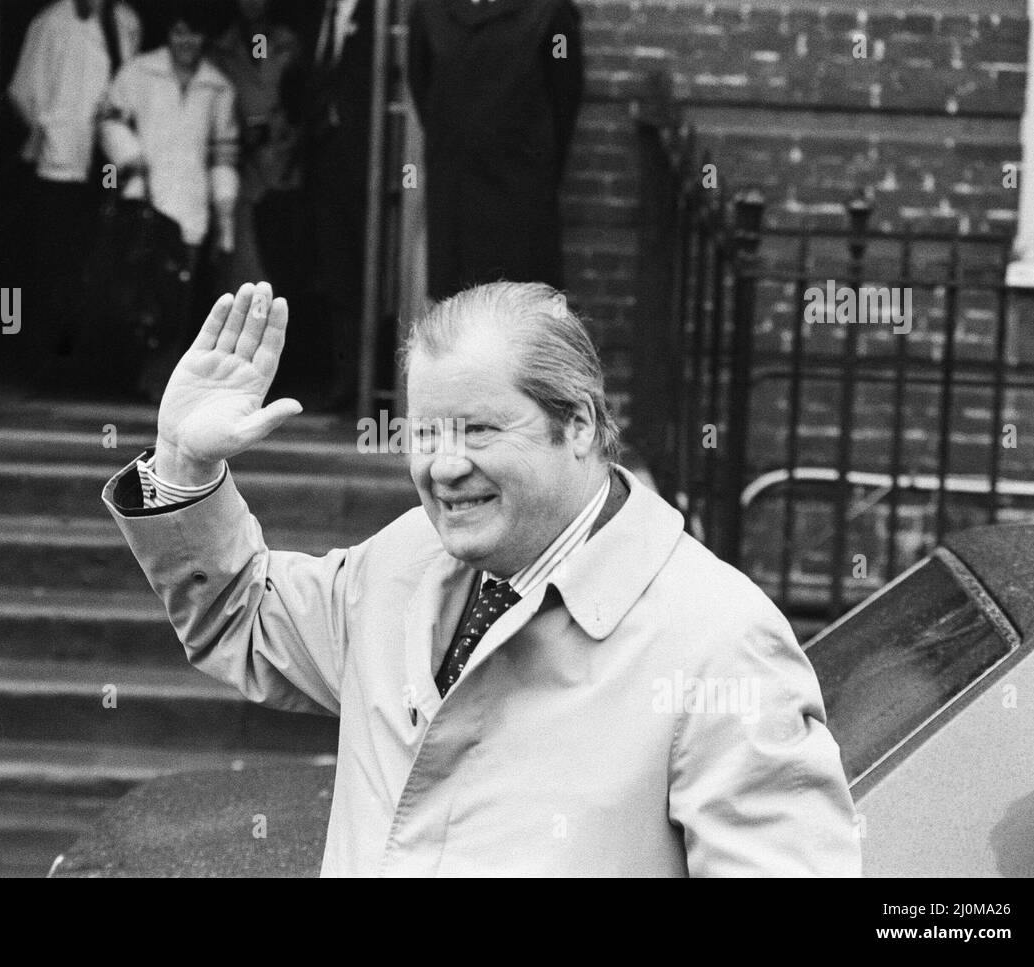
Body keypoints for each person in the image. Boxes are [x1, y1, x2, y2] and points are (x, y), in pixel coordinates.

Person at [101, 279, 862, 877]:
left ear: (582, 426)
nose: (443, 464)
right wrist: (184, 460)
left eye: (480, 429)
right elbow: (242, 615)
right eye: (425, 431)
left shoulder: (721, 641)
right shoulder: (404, 560)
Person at [99, 0, 239, 401]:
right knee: (136, 297)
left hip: (190, 213)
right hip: (142, 207)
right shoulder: (138, 72)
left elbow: (222, 156)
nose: (186, 42)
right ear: (168, 34)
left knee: (177, 306)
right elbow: (109, 120)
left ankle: (163, 387)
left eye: (194, 33)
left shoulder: (218, 86)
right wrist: (129, 157)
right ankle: (132, 381)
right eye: (179, 32)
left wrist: (225, 220)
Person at [408, 0, 583, 300]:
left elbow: (564, 91)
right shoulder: (428, 11)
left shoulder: (552, 17)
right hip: (480, 196)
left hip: (502, 197)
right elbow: (423, 86)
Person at [7, 0, 141, 367]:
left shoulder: (126, 21)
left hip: (107, 161)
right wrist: (49, 127)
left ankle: (89, 355)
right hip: (60, 162)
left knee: (101, 252)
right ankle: (48, 359)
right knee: (55, 259)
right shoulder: (51, 21)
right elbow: (23, 90)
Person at [301, 0, 373, 412]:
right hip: (324, 171)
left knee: (365, 279)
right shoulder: (314, 18)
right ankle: (343, 381)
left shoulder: (379, 17)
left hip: (370, 176)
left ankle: (366, 385)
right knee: (336, 276)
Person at [210, 0, 303, 290]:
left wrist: (284, 134)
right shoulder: (221, 51)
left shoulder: (289, 45)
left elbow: (304, 102)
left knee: (286, 277)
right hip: (241, 179)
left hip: (284, 175)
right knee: (242, 277)